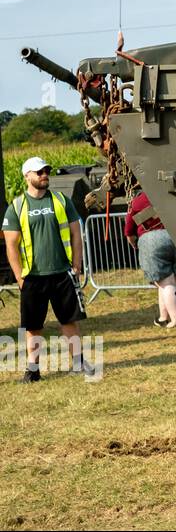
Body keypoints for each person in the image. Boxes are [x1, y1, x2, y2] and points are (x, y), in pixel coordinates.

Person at [2, 156, 89, 382]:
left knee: (69, 321)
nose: (44, 175)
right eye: (39, 172)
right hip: (32, 277)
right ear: (27, 176)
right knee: (33, 326)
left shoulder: (61, 200)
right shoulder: (17, 207)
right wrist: (20, 277)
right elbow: (11, 245)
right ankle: (33, 370)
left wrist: (77, 263)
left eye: (46, 171)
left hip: (62, 273)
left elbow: (75, 233)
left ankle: (79, 363)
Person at [123, 189, 176, 329]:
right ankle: (163, 317)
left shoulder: (137, 201)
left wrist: (132, 240)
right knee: (168, 282)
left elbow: (129, 227)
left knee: (166, 283)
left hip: (152, 239)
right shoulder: (169, 193)